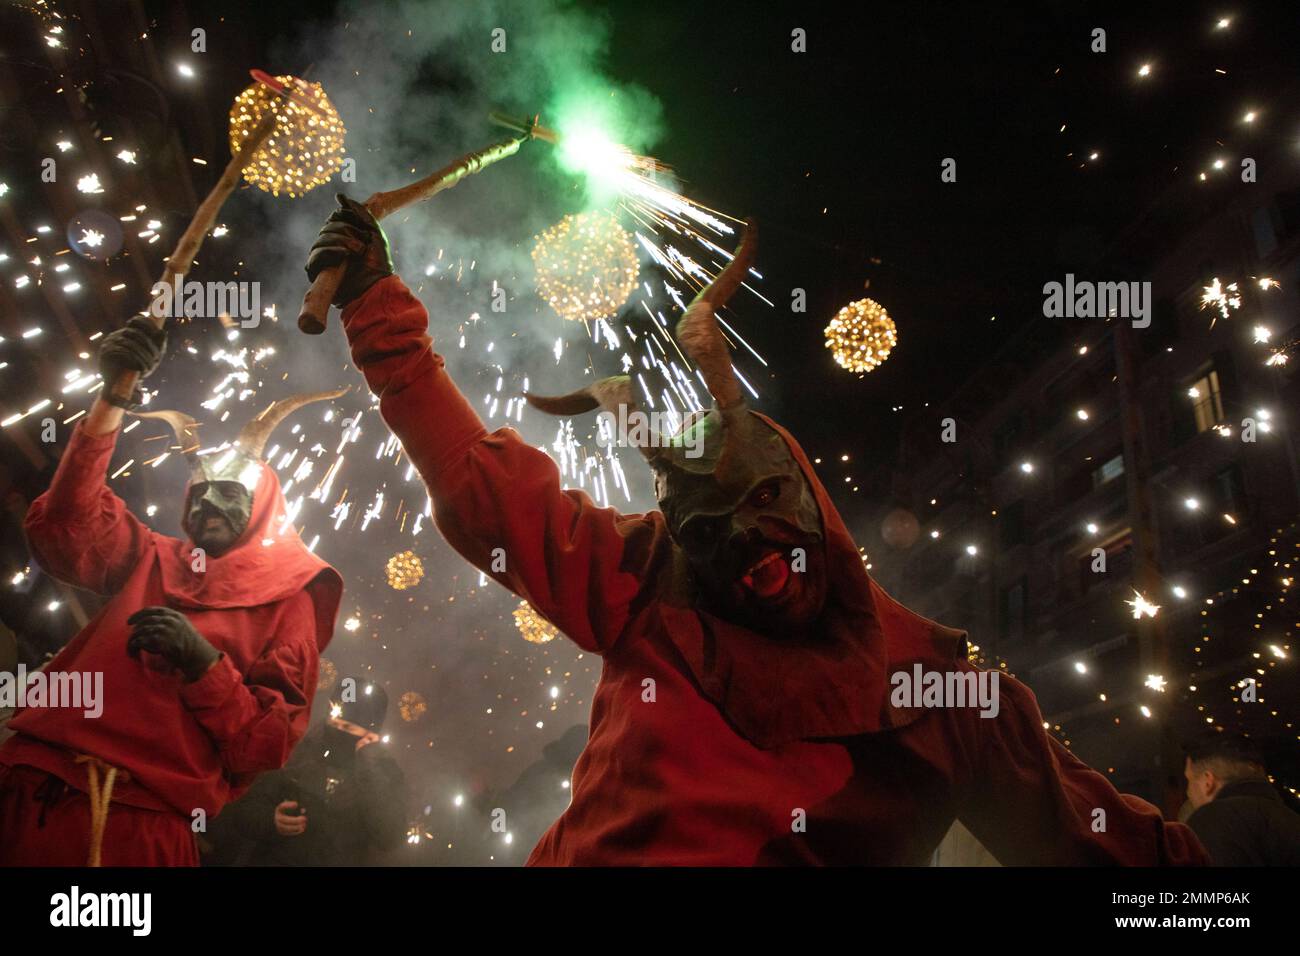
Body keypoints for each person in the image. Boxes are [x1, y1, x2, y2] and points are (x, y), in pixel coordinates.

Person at [305, 192, 1206, 865]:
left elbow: (1123, 861)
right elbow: (480, 483)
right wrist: (376, 302)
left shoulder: (942, 693)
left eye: (765, 501)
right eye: (710, 528)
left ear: (810, 495)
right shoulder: (645, 575)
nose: (744, 543)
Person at [0, 320, 344, 866]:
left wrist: (206, 667)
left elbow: (265, 744)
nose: (207, 505)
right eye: (199, 493)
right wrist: (111, 399)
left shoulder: (289, 600)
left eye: (228, 493)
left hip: (140, 830)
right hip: (28, 788)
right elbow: (64, 526)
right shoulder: (152, 554)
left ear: (263, 506)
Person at [208, 680, 407, 865]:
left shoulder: (386, 773)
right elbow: (244, 810)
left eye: (347, 727)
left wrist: (369, 767)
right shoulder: (297, 750)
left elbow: (389, 838)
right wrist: (271, 821)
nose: (338, 731)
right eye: (335, 723)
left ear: (370, 735)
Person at [1183, 734, 1300, 866]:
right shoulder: (1290, 819)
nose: (1188, 791)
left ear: (1207, 782)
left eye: (1189, 780)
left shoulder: (1211, 820)